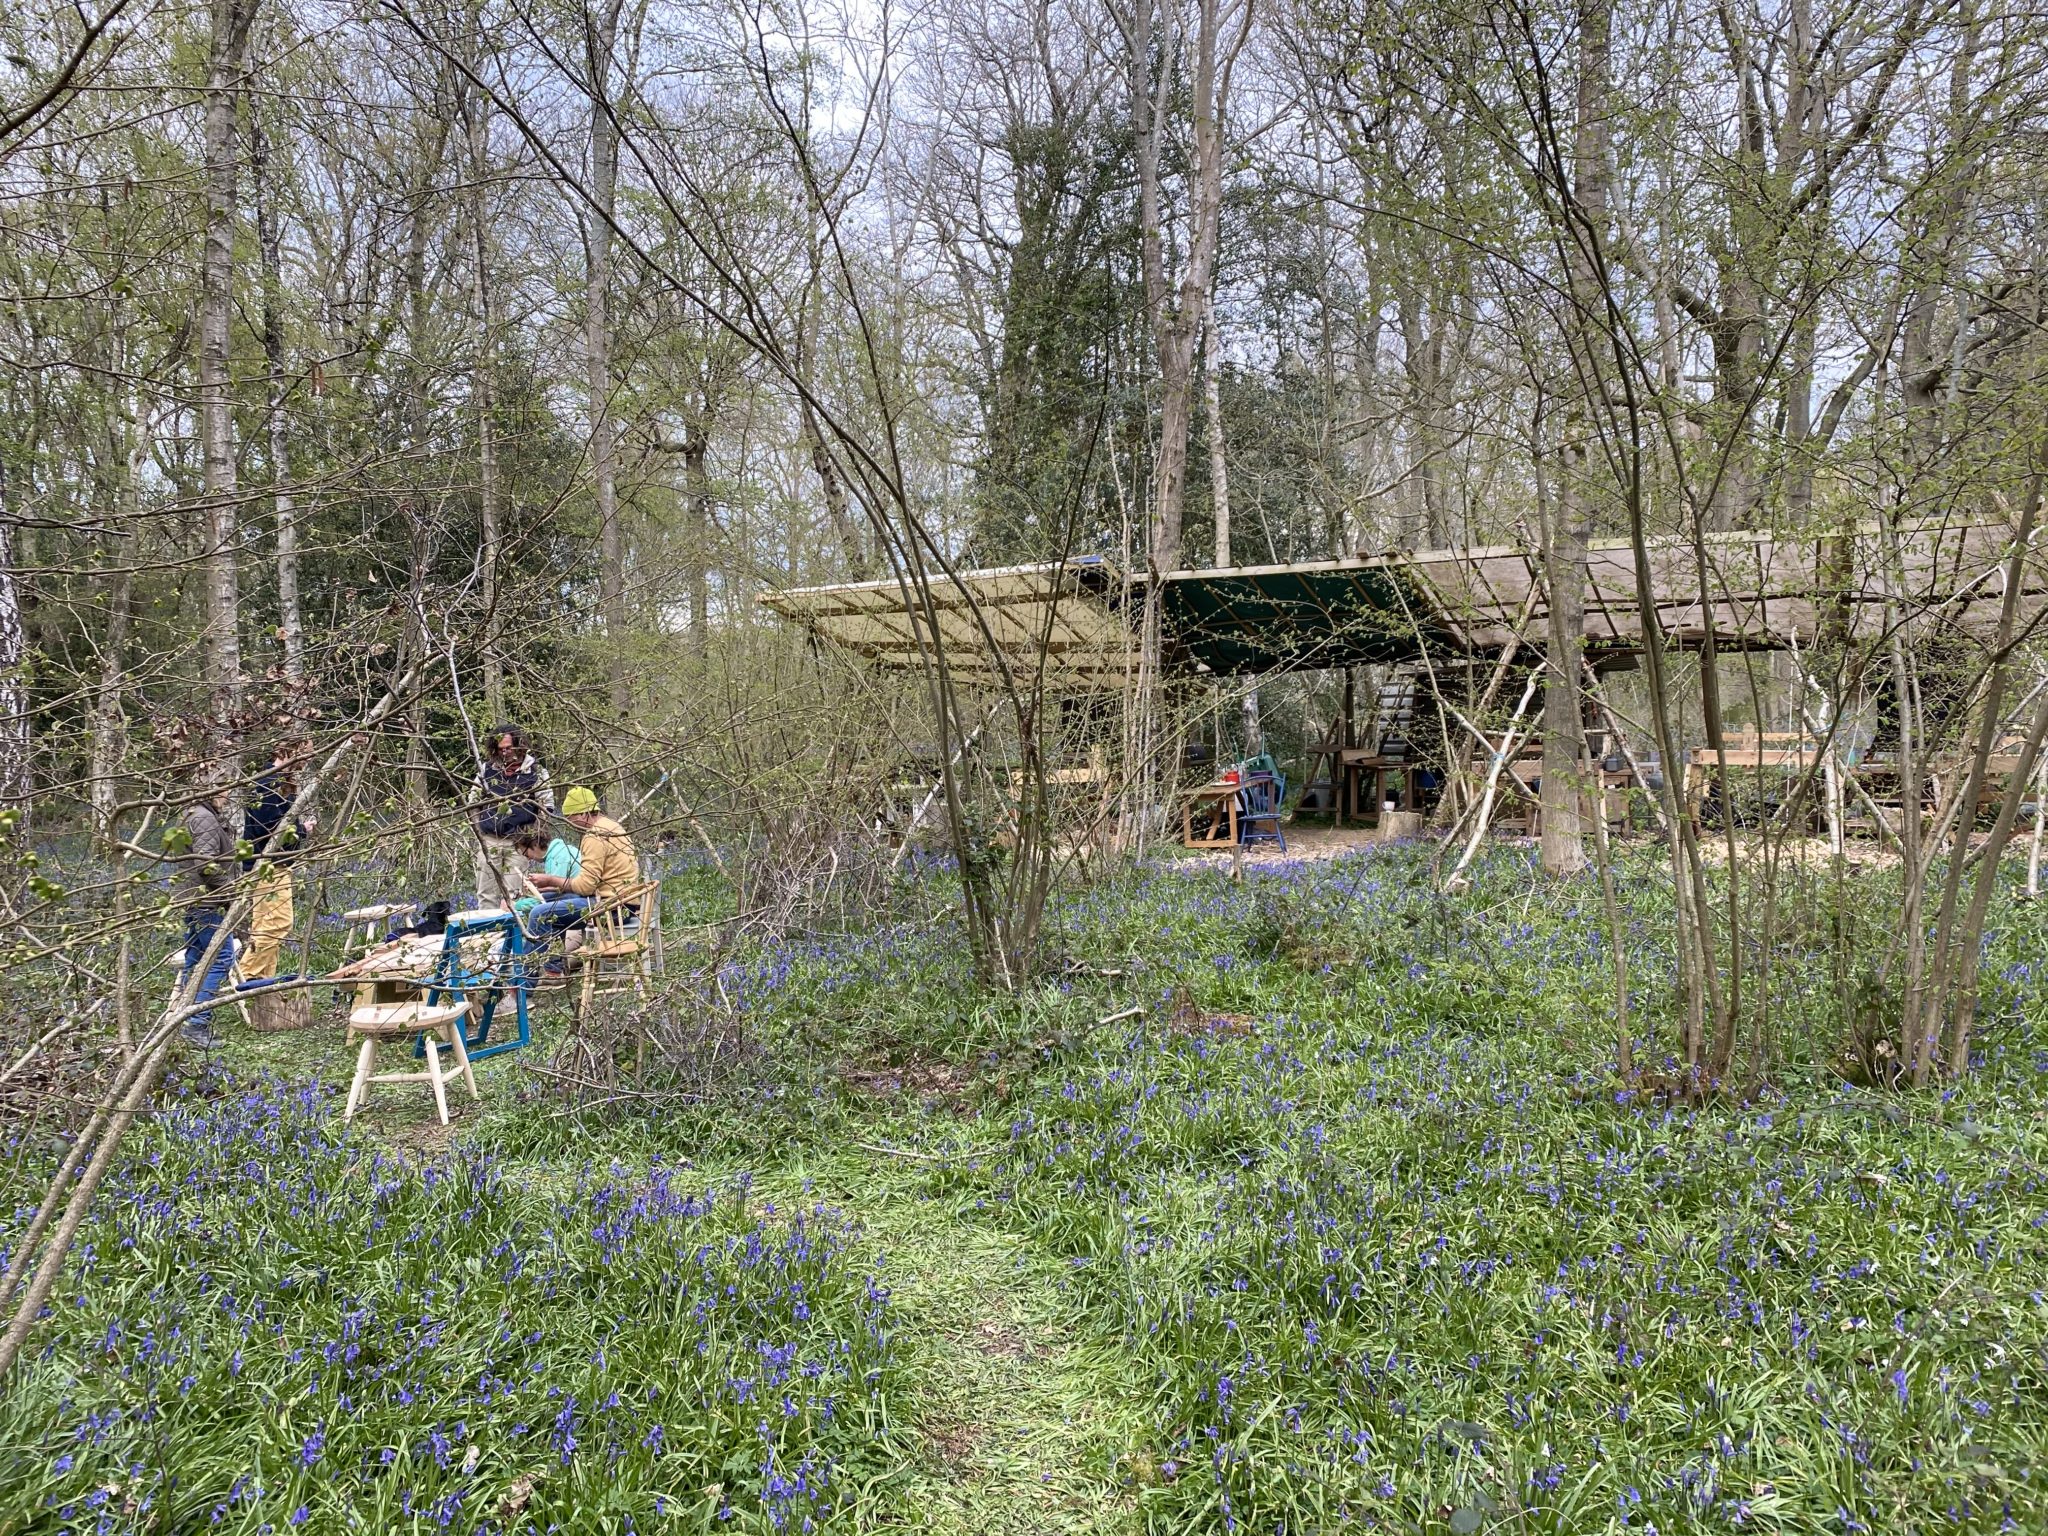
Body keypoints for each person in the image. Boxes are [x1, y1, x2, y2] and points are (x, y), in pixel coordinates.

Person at [524, 786, 638, 970]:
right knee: (547, 901)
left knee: (540, 914)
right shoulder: (612, 826)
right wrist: (554, 889)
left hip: (612, 908)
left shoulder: (595, 835)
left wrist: (552, 880)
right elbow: (592, 882)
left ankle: (523, 987)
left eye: (571, 817)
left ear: (585, 813)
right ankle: (554, 969)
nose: (569, 822)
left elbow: (585, 887)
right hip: (623, 902)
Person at [242, 738, 316, 980]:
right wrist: (301, 831)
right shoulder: (267, 784)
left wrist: (299, 828)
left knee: (266, 926)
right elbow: (270, 829)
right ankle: (247, 974)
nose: (306, 762)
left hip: (275, 865)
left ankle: (263, 981)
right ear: (288, 752)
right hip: (268, 867)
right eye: (304, 755)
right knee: (278, 923)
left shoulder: (280, 783)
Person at [175, 783, 239, 1047]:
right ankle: (197, 1023)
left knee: (195, 957)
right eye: (224, 789)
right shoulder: (204, 818)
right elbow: (206, 865)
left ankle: (183, 1014)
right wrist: (231, 891)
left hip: (194, 899)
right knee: (222, 957)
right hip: (204, 902)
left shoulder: (194, 814)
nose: (227, 795)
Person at [472, 725, 554, 906]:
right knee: (486, 894)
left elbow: (547, 807)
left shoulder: (536, 772)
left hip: (519, 842)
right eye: (501, 749)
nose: (505, 752)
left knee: (515, 895)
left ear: (519, 744)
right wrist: (479, 830)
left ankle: (514, 933)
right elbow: (472, 802)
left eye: (509, 747)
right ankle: (487, 932)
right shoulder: (486, 770)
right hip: (488, 840)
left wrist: (531, 836)